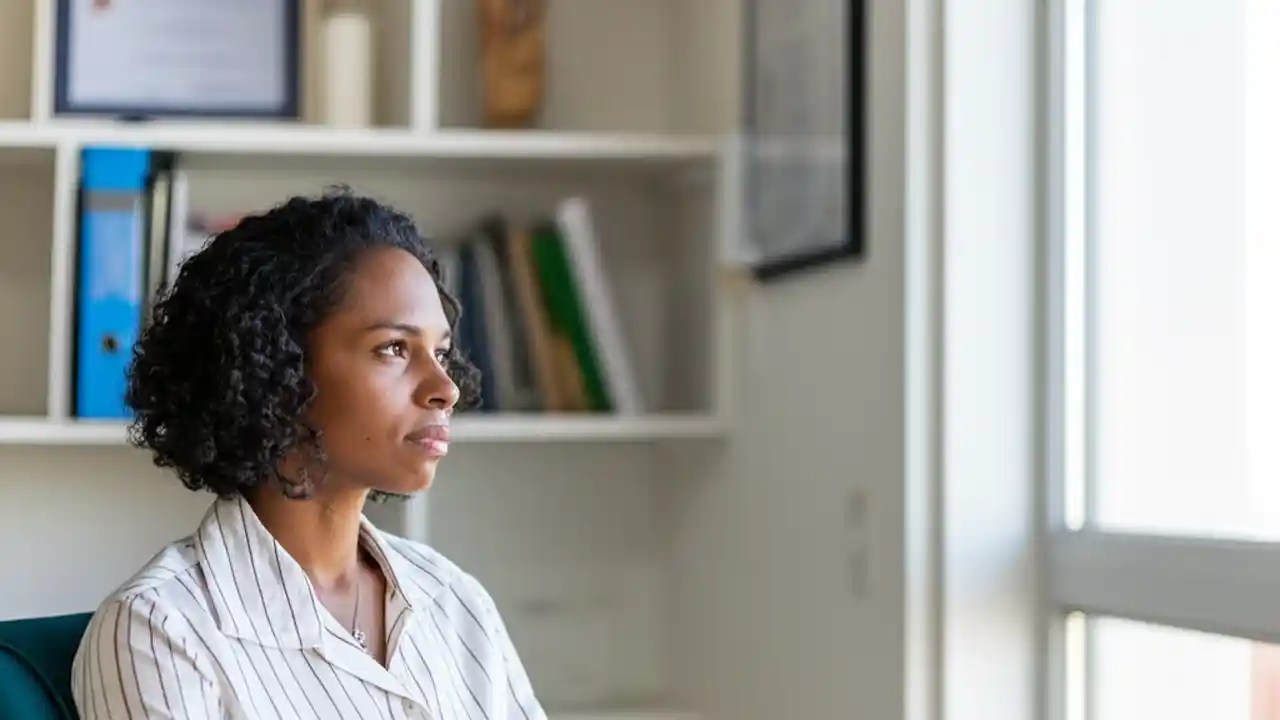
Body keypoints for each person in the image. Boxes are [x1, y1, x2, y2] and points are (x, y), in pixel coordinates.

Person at [71, 190, 546, 719]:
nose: (445, 388)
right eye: (394, 348)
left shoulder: (454, 601)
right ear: (279, 368)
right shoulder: (160, 630)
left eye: (439, 353)